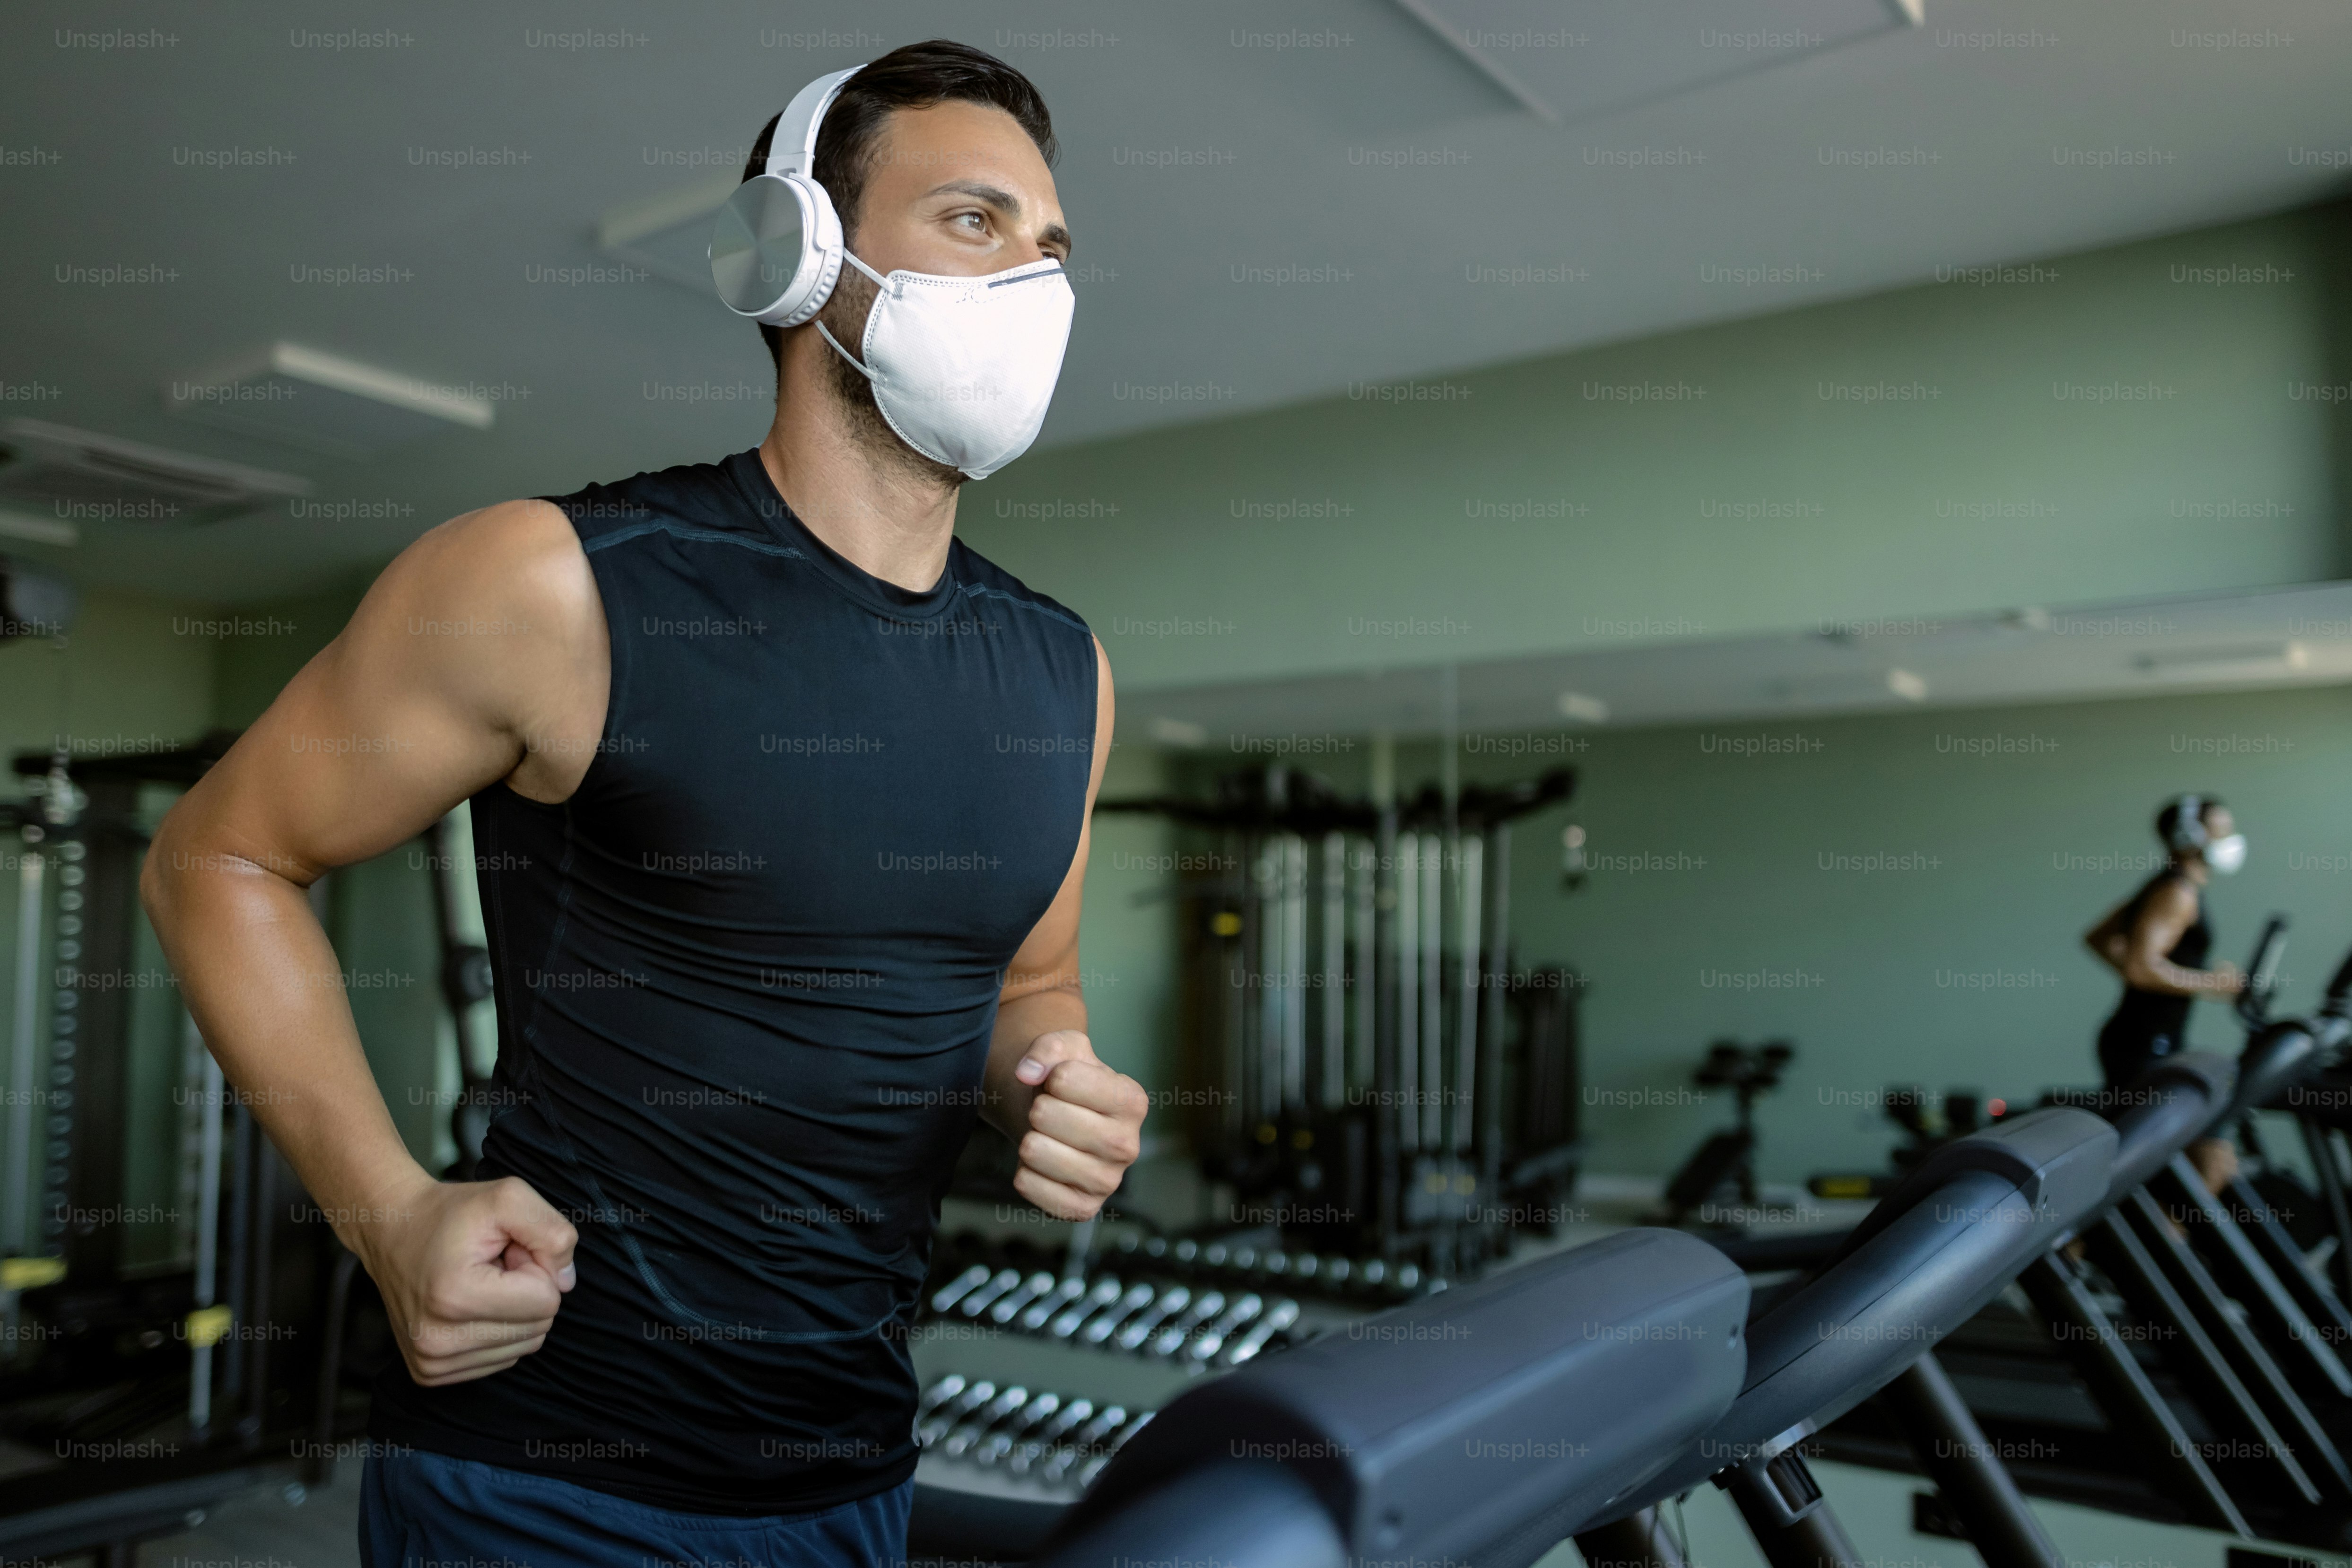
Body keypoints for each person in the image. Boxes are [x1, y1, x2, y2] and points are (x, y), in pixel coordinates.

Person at [141, 41, 1147, 1568]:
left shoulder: (1063, 670)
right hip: (547, 1482)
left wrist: (1046, 1084)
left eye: (1052, 245)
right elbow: (217, 853)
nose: (1033, 279)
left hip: (854, 1472)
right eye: (972, 221)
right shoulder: (554, 582)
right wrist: (390, 1213)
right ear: (801, 253)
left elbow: (1032, 985)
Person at [2083, 793, 2248, 1191]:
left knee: (2206, 1159)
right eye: (2221, 830)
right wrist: (2211, 984)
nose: (2231, 838)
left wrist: (2183, 978)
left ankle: (2160, 1239)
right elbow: (2143, 968)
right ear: (2189, 836)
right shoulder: (2177, 893)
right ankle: (2094, 1246)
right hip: (2142, 1043)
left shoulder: (2168, 886)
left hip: (2150, 1037)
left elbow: (2102, 940)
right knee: (2203, 1160)